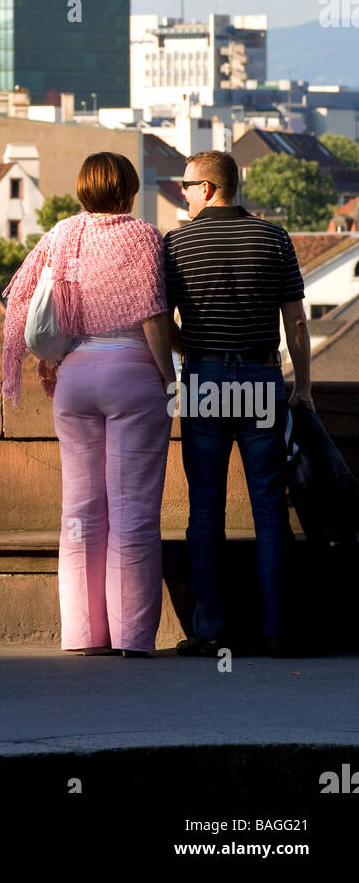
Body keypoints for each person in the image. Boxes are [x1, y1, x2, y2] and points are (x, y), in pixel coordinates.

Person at [3, 152, 175, 656]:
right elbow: (151, 313)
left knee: (79, 511)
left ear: (83, 189)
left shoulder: (61, 234)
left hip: (74, 380)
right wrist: (169, 376)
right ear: (127, 190)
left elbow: (24, 299)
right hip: (132, 378)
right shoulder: (141, 235)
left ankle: (82, 635)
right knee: (133, 511)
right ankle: (133, 637)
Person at [163, 150, 310, 656]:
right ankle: (277, 631)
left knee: (206, 510)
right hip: (262, 376)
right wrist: (304, 387)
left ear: (208, 188)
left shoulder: (177, 243)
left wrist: (193, 350)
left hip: (205, 379)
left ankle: (210, 631)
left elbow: (162, 323)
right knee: (270, 510)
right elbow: (295, 323)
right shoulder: (274, 238)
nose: (180, 192)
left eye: (185, 184)